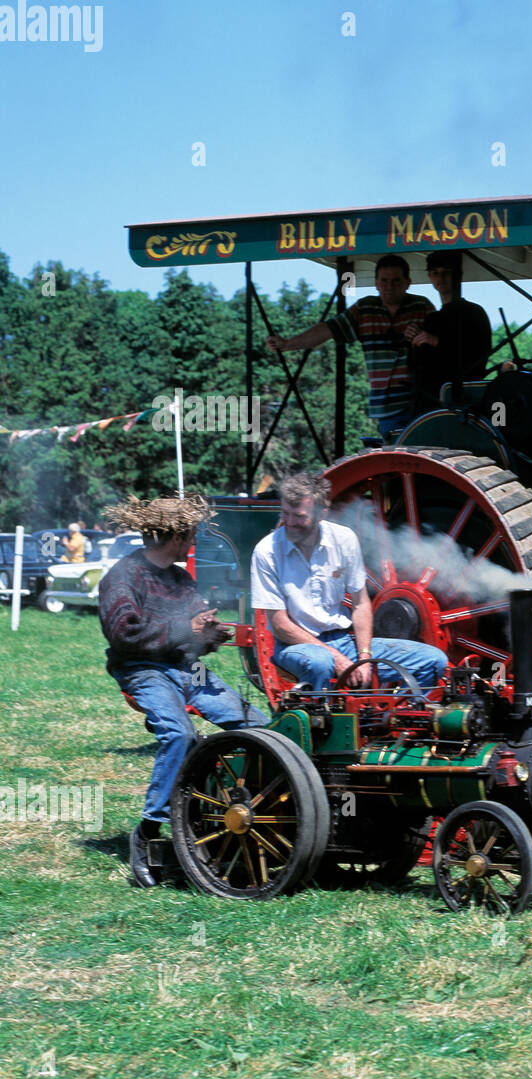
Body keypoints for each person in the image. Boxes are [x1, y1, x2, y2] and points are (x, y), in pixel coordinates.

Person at [98, 492, 268, 888]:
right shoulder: (122, 577)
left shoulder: (181, 579)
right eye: (191, 534)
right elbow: (124, 635)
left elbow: (193, 635)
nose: (194, 541)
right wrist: (183, 631)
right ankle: (148, 833)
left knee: (258, 725)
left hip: (184, 668)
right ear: (174, 536)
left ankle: (226, 813)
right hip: (142, 670)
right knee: (180, 734)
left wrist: (211, 634)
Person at [250, 471, 447, 695]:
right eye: (285, 513)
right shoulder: (266, 551)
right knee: (320, 662)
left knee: (433, 660)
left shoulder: (344, 540)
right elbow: (281, 625)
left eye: (299, 516)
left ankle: (393, 721)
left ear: (322, 513)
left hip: (344, 642)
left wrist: (364, 656)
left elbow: (361, 603)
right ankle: (319, 723)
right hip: (295, 646)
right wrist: (338, 658)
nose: (290, 523)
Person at [266, 254, 433, 438]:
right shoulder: (365, 309)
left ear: (407, 282)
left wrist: (426, 336)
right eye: (384, 281)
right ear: (376, 283)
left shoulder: (421, 306)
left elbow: (443, 341)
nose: (389, 287)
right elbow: (327, 330)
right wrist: (287, 344)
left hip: (422, 401)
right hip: (386, 406)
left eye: (396, 281)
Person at [405, 250, 492, 414]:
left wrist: (436, 341)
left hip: (464, 400)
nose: (440, 278)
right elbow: (417, 364)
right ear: (430, 277)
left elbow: (478, 354)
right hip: (430, 403)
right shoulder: (431, 319)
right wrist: (412, 340)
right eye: (435, 273)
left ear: (457, 275)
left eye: (446, 273)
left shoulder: (474, 313)